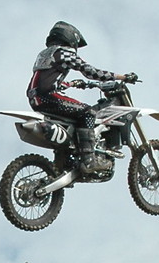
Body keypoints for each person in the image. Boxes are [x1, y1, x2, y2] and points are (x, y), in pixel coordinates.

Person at [27, 21, 137, 167]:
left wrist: (72, 84)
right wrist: (122, 77)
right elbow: (92, 72)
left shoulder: (47, 54)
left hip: (36, 98)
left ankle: (65, 160)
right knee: (88, 112)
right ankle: (88, 158)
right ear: (70, 38)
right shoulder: (65, 52)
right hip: (49, 96)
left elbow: (46, 79)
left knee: (74, 119)